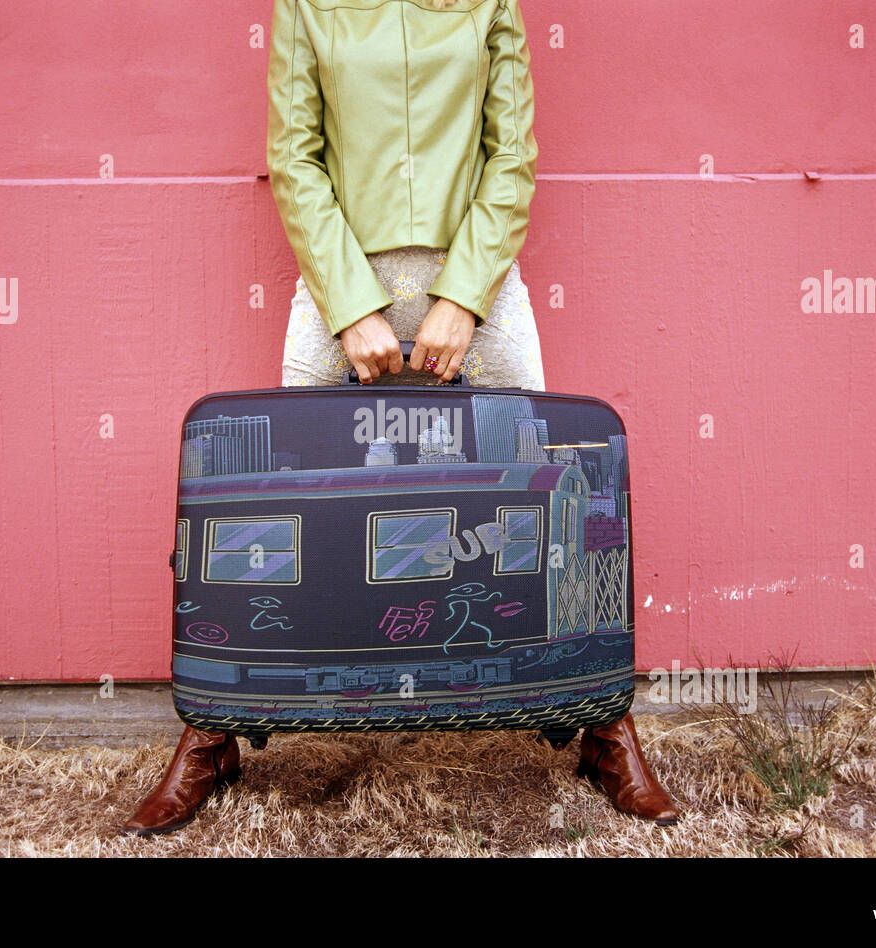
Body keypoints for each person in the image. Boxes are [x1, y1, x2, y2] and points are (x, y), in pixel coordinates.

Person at [121, 0, 678, 837]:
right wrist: (349, 305)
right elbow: (295, 159)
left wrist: (463, 295)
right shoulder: (308, 6)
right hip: (341, 283)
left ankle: (601, 726)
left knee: (561, 479)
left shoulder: (490, 4)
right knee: (273, 497)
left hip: (479, 283)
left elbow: (512, 154)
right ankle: (214, 734)